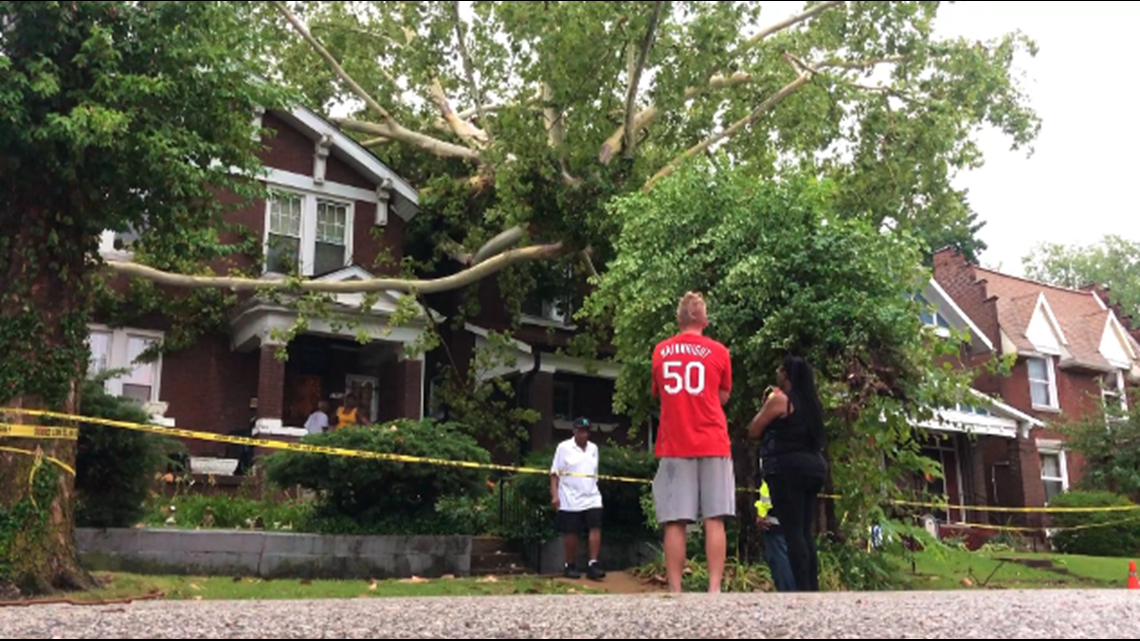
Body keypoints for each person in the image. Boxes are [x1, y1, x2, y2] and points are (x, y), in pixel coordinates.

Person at [650, 291, 735, 594]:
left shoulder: (660, 351)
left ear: (679, 319)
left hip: (674, 443)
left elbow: (659, 392)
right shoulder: (719, 352)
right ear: (705, 320)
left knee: (675, 520)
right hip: (713, 440)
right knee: (714, 517)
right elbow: (722, 396)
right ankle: (713, 590)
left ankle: (675, 589)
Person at [747, 355, 828, 592]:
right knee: (805, 530)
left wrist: (767, 402)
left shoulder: (780, 401)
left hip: (786, 470)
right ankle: (811, 586)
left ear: (785, 375)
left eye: (779, 370)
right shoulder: (812, 404)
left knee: (792, 531)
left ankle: (802, 588)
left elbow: (754, 429)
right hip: (813, 468)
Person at [550, 417, 605, 581]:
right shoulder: (563, 448)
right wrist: (555, 495)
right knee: (571, 532)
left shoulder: (593, 448)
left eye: (587, 431)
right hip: (570, 496)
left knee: (595, 526)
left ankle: (593, 563)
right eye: (581, 431)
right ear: (574, 431)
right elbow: (554, 474)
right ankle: (570, 564)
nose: (584, 434)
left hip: (591, 495)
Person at [754, 473, 796, 592]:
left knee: (780, 561)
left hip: (774, 520)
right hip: (796, 518)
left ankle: (787, 593)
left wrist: (762, 512)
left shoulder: (774, 459)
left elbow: (767, 488)